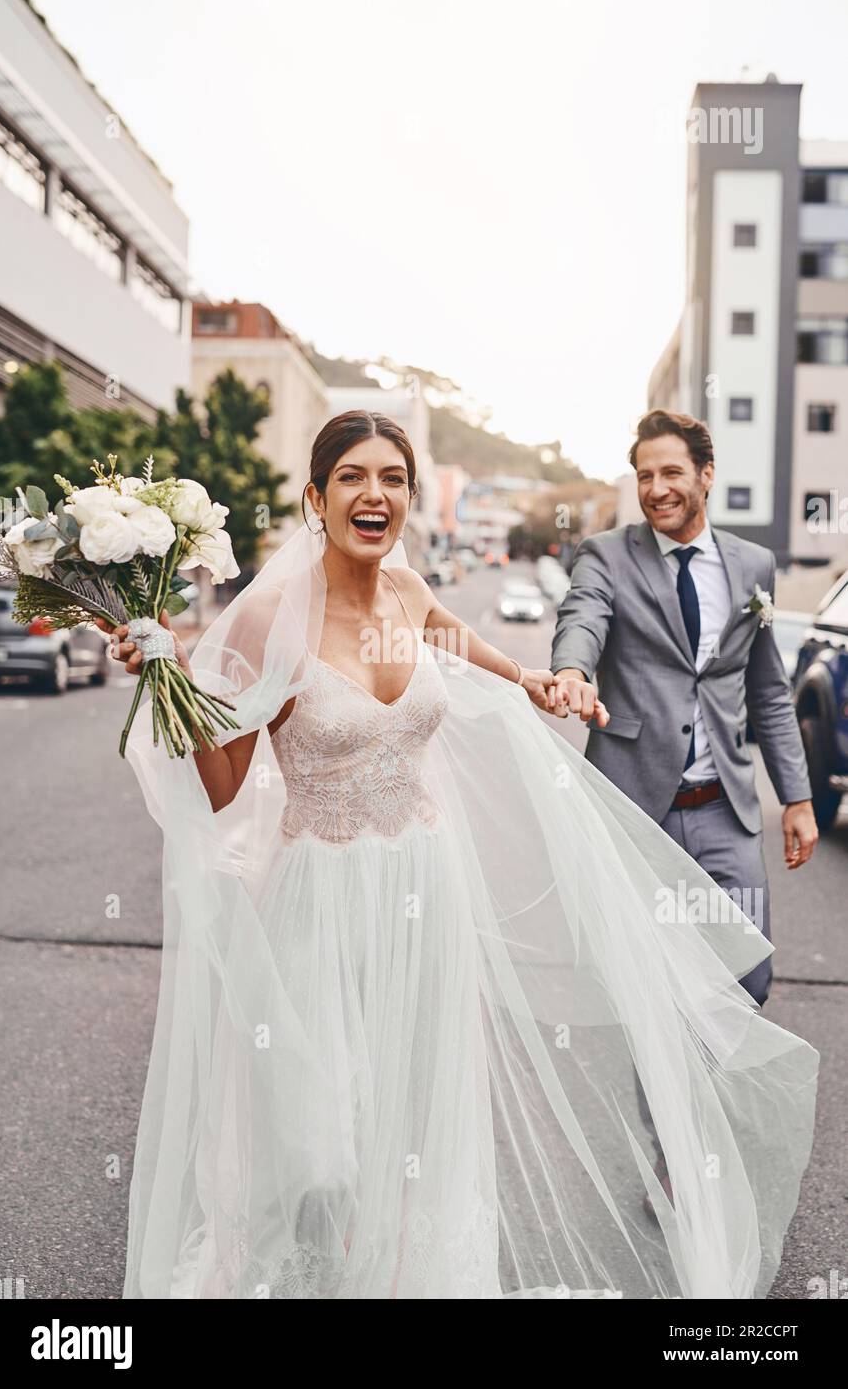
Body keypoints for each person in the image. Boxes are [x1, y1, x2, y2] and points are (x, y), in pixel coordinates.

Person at [100, 410, 818, 1300]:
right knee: (318, 1148)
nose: (376, 494)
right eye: (354, 478)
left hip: (425, 892)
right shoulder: (269, 621)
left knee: (413, 1128)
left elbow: (461, 647)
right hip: (322, 903)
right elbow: (218, 789)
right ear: (315, 499)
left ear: (408, 496)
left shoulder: (406, 592)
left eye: (393, 478)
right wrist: (170, 682)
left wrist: (541, 682)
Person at [550, 407, 818, 1212]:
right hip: (639, 811)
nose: (656, 489)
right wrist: (572, 673)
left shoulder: (751, 567)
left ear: (705, 474)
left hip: (724, 809)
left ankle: (690, 1095)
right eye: (643, 475)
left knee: (749, 973)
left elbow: (767, 689)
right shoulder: (607, 555)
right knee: (656, 984)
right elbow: (582, 621)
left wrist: (797, 798)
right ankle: (674, 1152)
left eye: (671, 472)